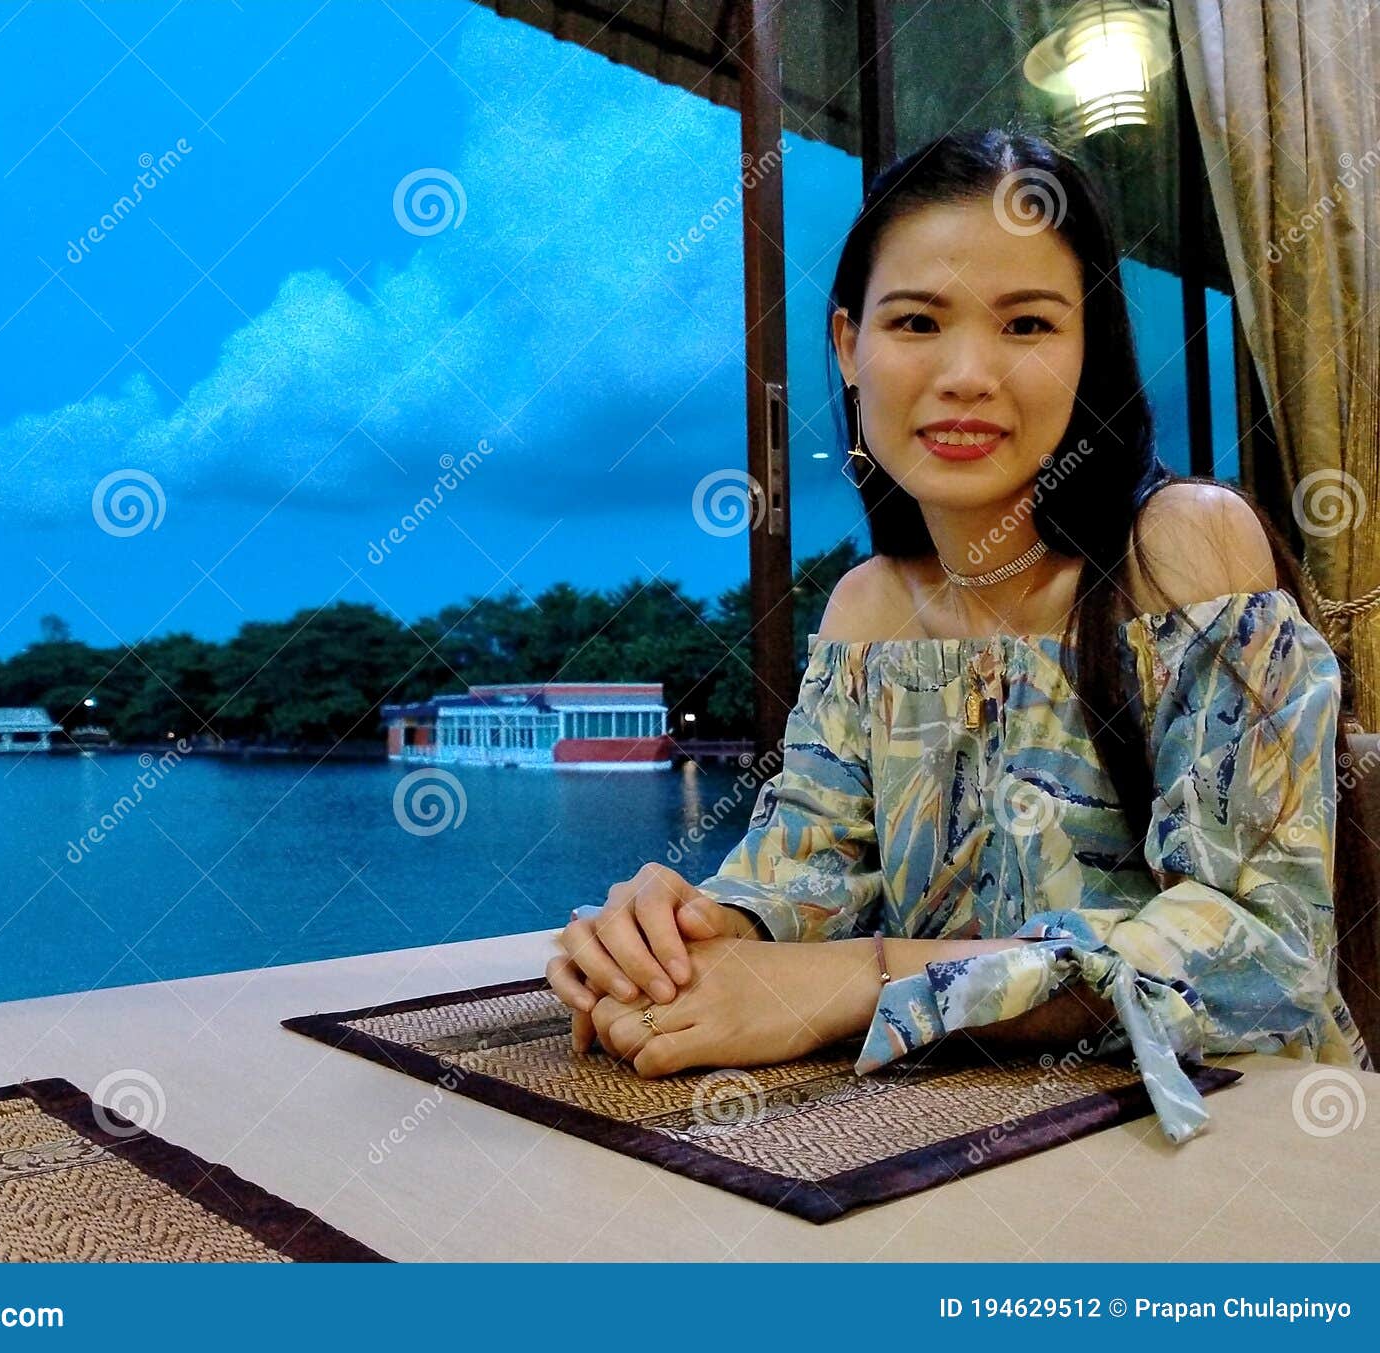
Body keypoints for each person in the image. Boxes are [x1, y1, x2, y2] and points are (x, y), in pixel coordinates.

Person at [546, 126, 1376, 1146]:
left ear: (1088, 351)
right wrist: (686, 935)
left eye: (1027, 325)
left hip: (1242, 1151)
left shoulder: (1184, 552)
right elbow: (800, 870)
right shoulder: (867, 608)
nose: (967, 373)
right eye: (916, 322)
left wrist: (859, 980)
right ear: (849, 346)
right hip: (939, 1144)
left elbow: (1261, 952)